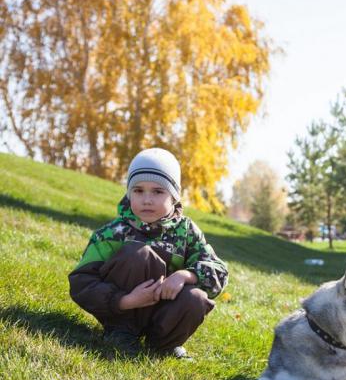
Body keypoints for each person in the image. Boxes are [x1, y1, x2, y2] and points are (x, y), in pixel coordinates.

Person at [68, 148, 228, 359]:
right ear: (128, 193)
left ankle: (164, 345)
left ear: (174, 197)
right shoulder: (113, 233)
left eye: (158, 191)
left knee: (196, 297)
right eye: (138, 190)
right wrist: (124, 300)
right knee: (138, 253)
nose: (147, 199)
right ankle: (121, 333)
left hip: (164, 312)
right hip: (121, 310)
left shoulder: (187, 232)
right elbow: (81, 282)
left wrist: (185, 275)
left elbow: (219, 272)